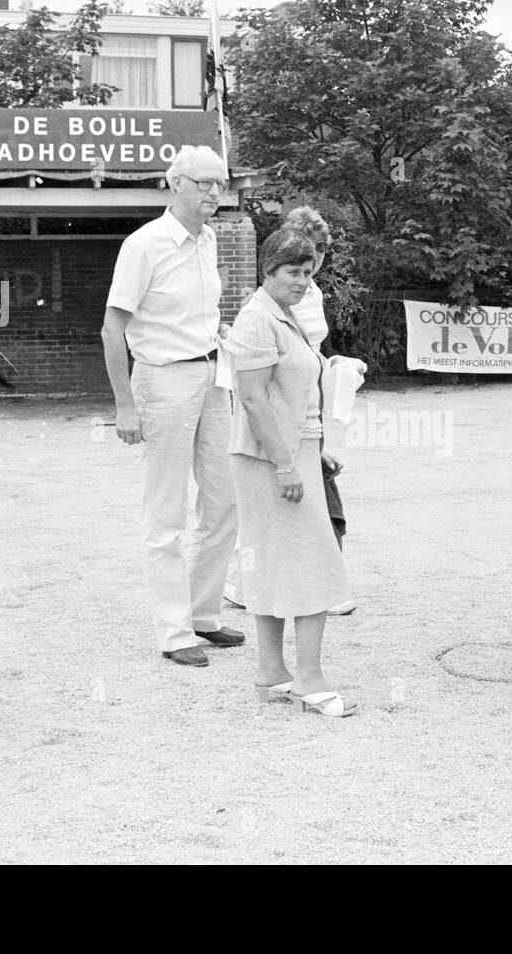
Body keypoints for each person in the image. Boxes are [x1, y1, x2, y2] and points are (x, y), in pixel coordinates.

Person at [101, 145, 245, 668]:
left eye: (220, 183)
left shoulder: (208, 241)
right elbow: (113, 327)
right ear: (175, 183)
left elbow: (196, 314)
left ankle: (204, 615)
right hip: (162, 382)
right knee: (165, 511)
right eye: (204, 183)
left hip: (213, 377)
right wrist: (125, 406)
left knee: (225, 498)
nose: (214, 192)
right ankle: (173, 630)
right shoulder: (145, 245)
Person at [224, 228, 356, 717]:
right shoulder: (258, 319)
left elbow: (289, 396)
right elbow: (253, 399)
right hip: (268, 460)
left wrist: (311, 451)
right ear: (269, 271)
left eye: (307, 272)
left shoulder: (283, 316)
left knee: (274, 561)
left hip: (290, 452)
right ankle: (309, 678)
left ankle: (272, 673)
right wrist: (285, 463)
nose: (302, 281)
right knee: (314, 559)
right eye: (293, 272)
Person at [284, 205, 357, 614]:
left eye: (324, 250)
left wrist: (337, 366)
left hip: (313, 392)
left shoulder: (315, 293)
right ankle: (321, 578)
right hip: (290, 394)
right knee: (302, 483)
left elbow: (316, 350)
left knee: (312, 476)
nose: (318, 259)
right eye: (311, 249)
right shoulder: (280, 293)